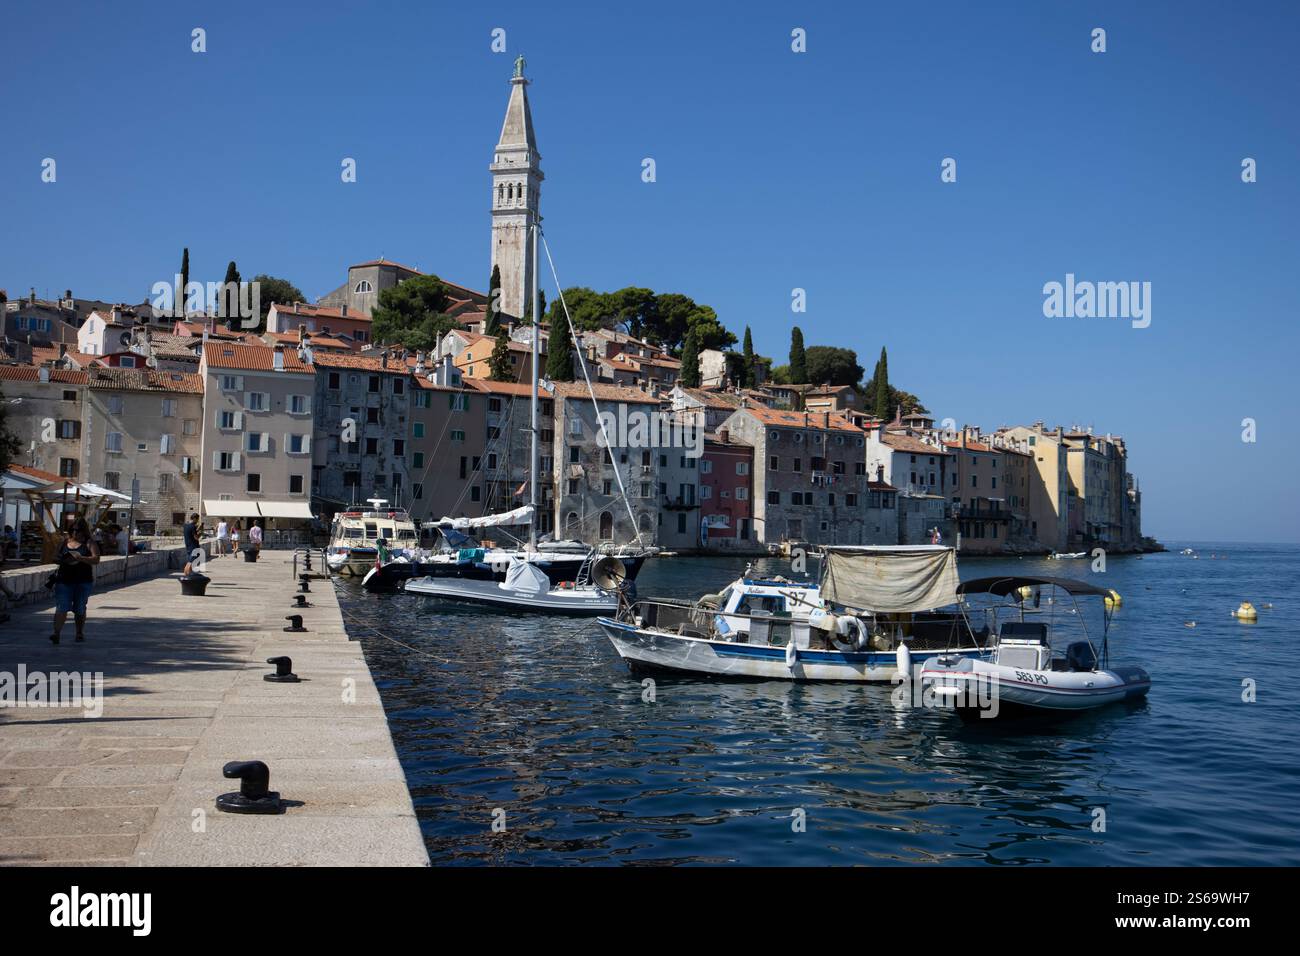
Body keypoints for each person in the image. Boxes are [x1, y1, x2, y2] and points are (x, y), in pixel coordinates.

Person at [51, 516, 100, 644]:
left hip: (82, 580)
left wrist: (80, 558)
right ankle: (56, 633)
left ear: (83, 531)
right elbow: (54, 557)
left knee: (79, 608)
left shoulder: (89, 543)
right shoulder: (64, 542)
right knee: (61, 607)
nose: (74, 533)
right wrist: (65, 559)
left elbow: (96, 559)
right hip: (64, 579)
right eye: (72, 530)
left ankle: (79, 632)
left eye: (77, 530)